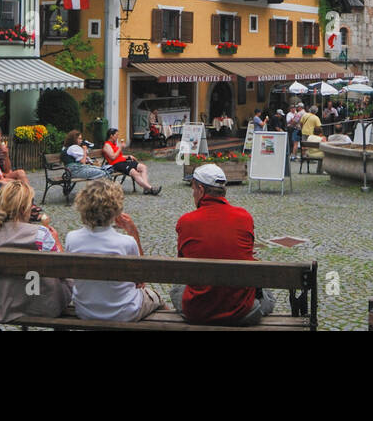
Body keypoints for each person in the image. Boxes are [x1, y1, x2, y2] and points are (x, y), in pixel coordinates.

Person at [173, 163, 274, 325]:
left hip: (198, 311)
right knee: (266, 294)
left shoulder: (186, 222)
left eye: (193, 190)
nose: (193, 194)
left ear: (200, 189)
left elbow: (183, 269)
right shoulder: (244, 217)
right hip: (241, 311)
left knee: (177, 289)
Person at [65, 179, 164, 321]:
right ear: (116, 209)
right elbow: (141, 280)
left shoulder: (72, 238)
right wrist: (133, 232)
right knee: (157, 298)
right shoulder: (126, 242)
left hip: (85, 311)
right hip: (125, 312)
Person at [0, 179, 71, 322]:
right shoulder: (40, 234)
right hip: (41, 304)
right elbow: (62, 270)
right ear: (24, 208)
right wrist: (56, 240)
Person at [102, 128, 161, 195]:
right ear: (111, 136)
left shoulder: (114, 144)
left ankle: (146, 188)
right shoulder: (107, 145)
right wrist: (120, 148)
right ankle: (151, 188)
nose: (117, 137)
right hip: (116, 164)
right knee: (133, 172)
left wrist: (128, 156)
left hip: (123, 162)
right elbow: (113, 157)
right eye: (116, 135)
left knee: (143, 167)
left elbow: (118, 156)